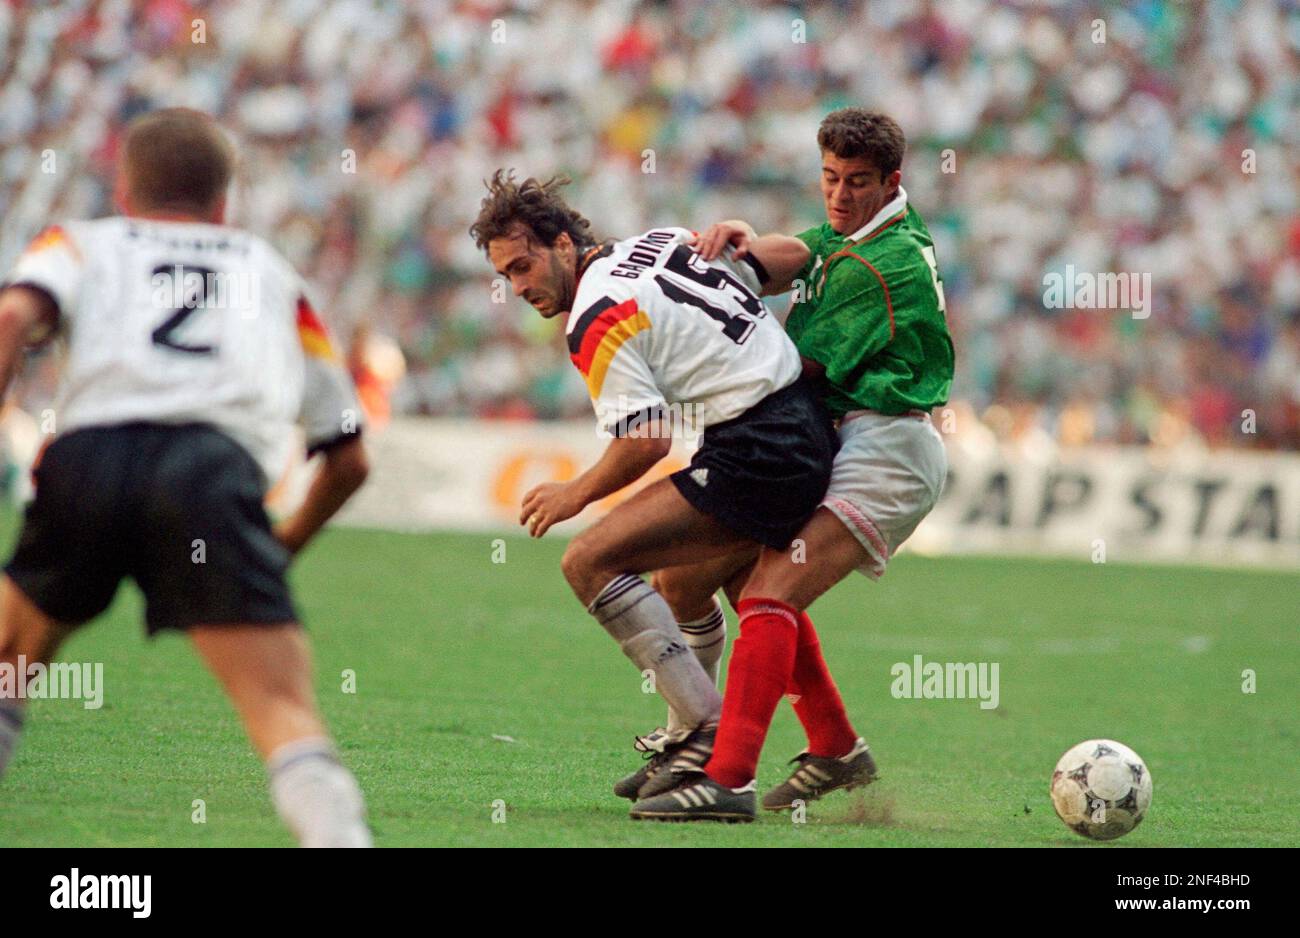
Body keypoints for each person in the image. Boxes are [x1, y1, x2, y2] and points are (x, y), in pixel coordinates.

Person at [0, 108, 373, 847]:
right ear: (224, 200)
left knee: (9, 668)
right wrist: (287, 540)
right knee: (278, 705)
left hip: (89, 461)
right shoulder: (270, 272)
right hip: (211, 472)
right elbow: (350, 455)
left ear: (124, 187)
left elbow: (13, 318)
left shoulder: (79, 242)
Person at [470, 171, 839, 810]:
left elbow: (646, 439)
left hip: (764, 448)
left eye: (525, 266)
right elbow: (773, 271)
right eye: (506, 277)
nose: (520, 287)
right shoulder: (658, 241)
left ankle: (706, 729)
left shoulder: (593, 316)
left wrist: (574, 494)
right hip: (793, 424)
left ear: (563, 244)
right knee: (684, 584)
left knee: (588, 559)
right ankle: (722, 739)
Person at [629, 108, 954, 820]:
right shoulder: (863, 233)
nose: (838, 195)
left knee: (770, 595)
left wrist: (693, 345)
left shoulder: (884, 265)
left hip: (888, 449)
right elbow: (800, 254)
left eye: (857, 182)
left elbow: (792, 366)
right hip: (847, 437)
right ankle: (835, 747)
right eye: (830, 178)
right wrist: (741, 254)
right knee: (750, 579)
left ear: (891, 181)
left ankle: (727, 778)